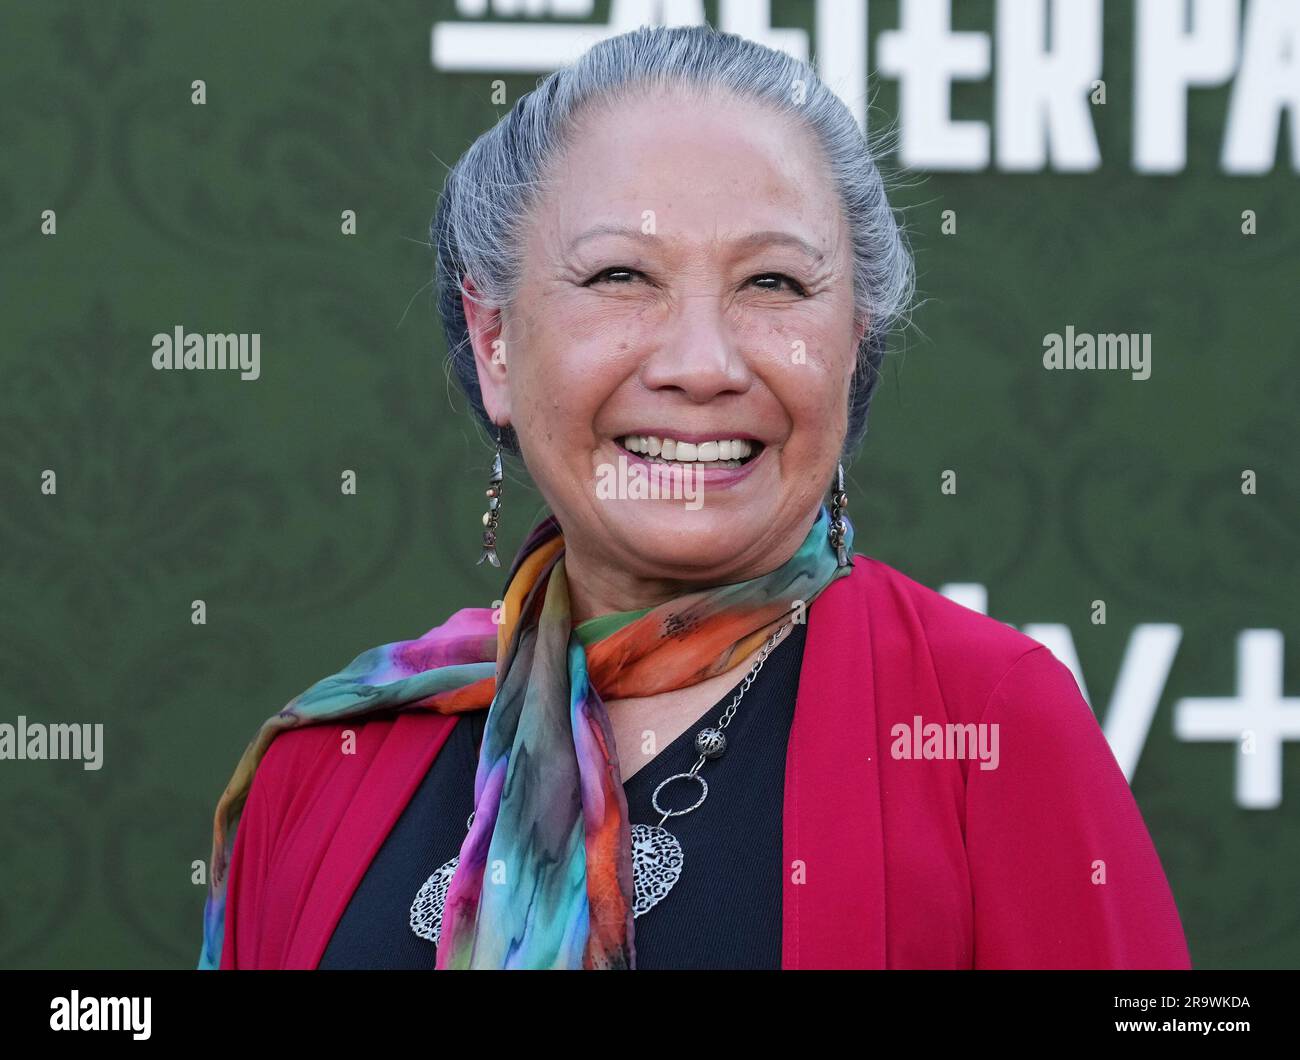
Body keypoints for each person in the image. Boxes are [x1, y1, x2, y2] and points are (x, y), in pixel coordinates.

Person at [197, 23, 1191, 970]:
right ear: (494, 337)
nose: (702, 364)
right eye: (622, 275)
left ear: (851, 344)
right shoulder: (328, 759)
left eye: (772, 285)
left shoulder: (986, 723)